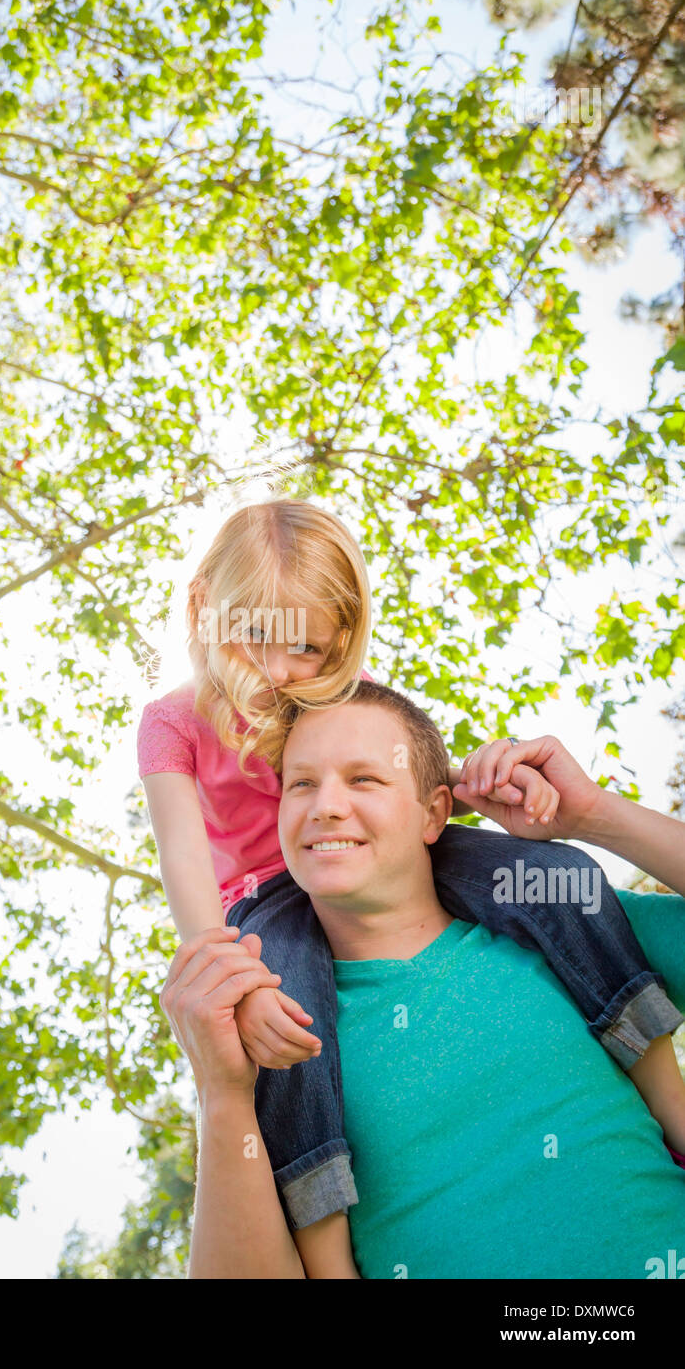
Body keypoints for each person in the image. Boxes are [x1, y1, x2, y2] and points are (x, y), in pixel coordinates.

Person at [138, 497, 683, 1269]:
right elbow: (184, 860)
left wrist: (567, 809)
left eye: (305, 648)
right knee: (292, 1043)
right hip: (259, 906)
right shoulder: (172, 722)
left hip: (427, 845)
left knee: (558, 876)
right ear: (202, 607)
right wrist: (229, 976)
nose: (278, 671)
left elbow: (408, 774)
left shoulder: (334, 694)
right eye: (252, 635)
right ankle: (328, 1254)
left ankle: (667, 1096)